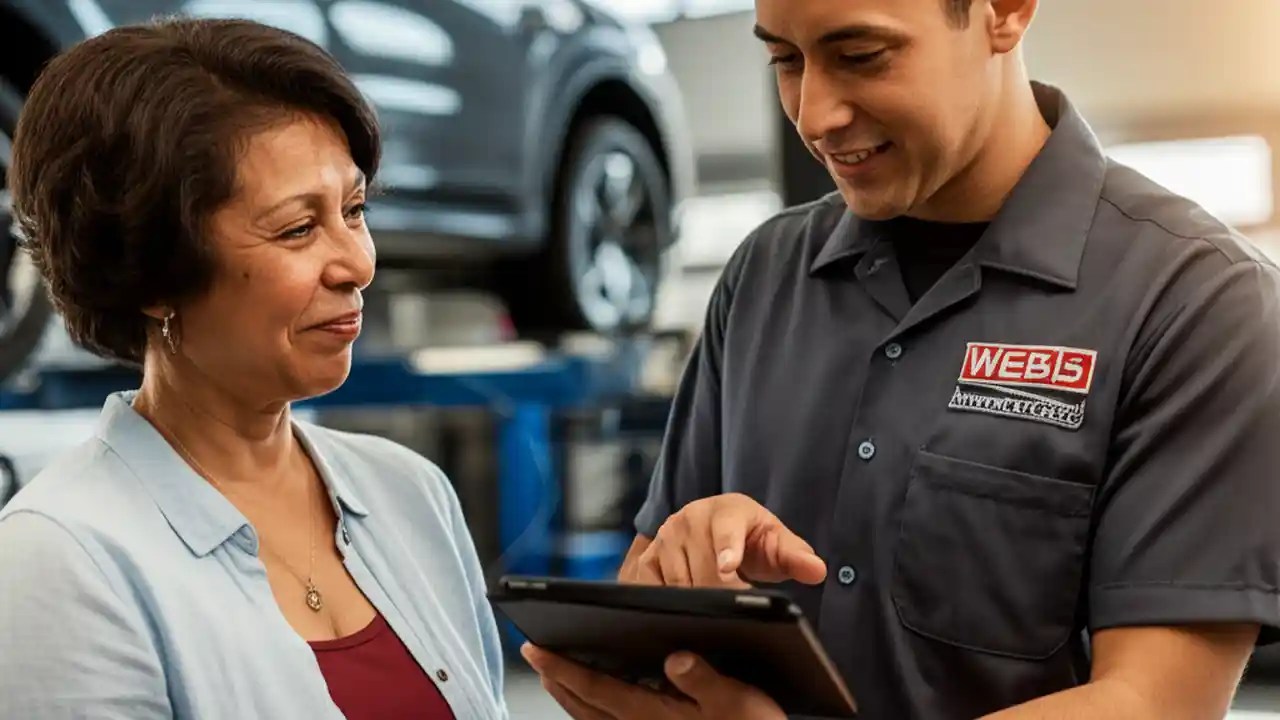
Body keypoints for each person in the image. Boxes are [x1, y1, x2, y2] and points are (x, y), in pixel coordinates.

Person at [526, 0, 1280, 718]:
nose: (815, 115)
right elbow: (645, 592)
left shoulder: (1196, 304)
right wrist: (684, 567)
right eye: (785, 61)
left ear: (1006, 11)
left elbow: (1154, 705)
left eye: (861, 56)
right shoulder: (765, 277)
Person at [0, 18, 507, 719]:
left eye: (354, 210)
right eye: (297, 228)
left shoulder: (411, 494)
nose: (358, 263)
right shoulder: (60, 560)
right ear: (150, 274)